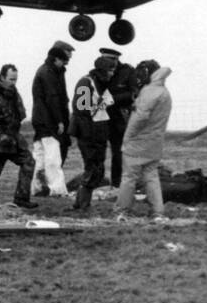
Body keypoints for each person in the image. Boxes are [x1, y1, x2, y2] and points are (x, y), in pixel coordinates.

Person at [115, 60, 172, 222]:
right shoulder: (164, 92)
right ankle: (158, 212)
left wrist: (127, 138)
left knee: (129, 177)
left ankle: (122, 211)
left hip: (137, 142)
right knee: (151, 176)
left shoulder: (148, 91)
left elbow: (140, 117)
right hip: (154, 143)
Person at [0, 64, 37, 210]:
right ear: (2, 77)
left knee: (28, 162)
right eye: (11, 79)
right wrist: (1, 136)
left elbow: (20, 115)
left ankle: (21, 199)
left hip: (14, 140)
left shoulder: (14, 94)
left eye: (16, 79)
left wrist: (14, 135)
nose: (14, 82)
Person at [69, 56, 116, 211]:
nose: (112, 73)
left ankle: (81, 203)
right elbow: (81, 111)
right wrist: (89, 135)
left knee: (99, 169)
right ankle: (82, 204)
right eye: (110, 70)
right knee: (92, 168)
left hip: (100, 131)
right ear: (102, 70)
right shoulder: (86, 82)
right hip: (88, 133)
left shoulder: (103, 84)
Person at [30, 44, 72, 197]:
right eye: (64, 60)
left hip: (40, 120)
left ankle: (37, 187)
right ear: (56, 59)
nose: (65, 63)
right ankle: (57, 190)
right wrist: (59, 121)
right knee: (52, 157)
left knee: (40, 157)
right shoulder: (49, 74)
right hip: (48, 121)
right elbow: (53, 98)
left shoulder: (44, 71)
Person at [99, 47, 138, 188]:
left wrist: (112, 100)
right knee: (99, 152)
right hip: (102, 118)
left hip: (120, 118)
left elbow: (134, 93)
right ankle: (99, 182)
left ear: (115, 59)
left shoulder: (128, 71)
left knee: (119, 153)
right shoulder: (99, 71)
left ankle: (118, 184)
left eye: (108, 59)